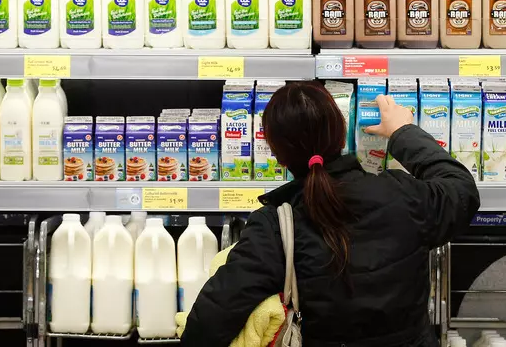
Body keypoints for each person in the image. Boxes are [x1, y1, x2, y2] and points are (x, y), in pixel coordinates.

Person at [182, 81, 480, 347]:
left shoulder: (276, 225)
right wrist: (401, 133)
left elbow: (211, 320)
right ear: (341, 135)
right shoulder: (403, 195)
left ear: (275, 153)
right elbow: (462, 190)